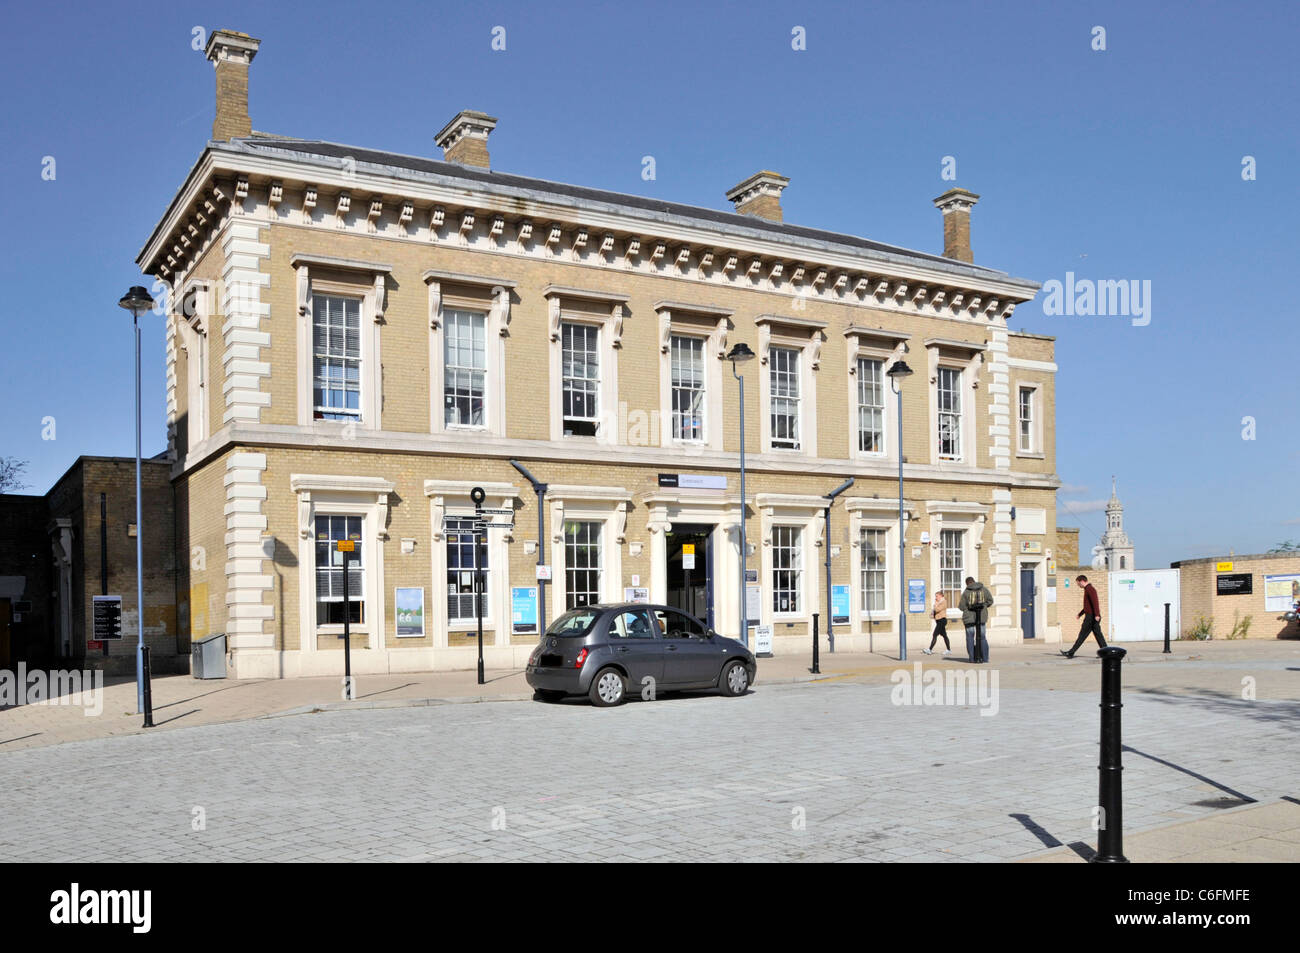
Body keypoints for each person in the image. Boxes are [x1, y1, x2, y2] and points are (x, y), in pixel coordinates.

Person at [1062, 574, 1107, 657]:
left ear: (1082, 581)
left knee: (1082, 635)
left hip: (1091, 617)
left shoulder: (1090, 589)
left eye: (1078, 584)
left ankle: (1071, 652)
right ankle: (1105, 652)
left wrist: (1097, 614)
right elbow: (1088, 606)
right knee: (1098, 635)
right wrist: (1080, 614)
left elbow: (1095, 602)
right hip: (1092, 616)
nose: (1078, 586)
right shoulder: (1088, 589)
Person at [958, 576, 994, 663]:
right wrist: (984, 606)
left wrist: (968, 608)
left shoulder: (966, 592)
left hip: (969, 618)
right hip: (981, 616)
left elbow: (961, 607)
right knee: (982, 637)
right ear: (974, 581)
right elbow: (990, 601)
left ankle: (972, 658)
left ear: (967, 583)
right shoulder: (984, 589)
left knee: (970, 638)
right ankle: (985, 658)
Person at [922, 589, 950, 655]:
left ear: (940, 596)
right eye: (935, 596)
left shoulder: (943, 602)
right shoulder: (938, 603)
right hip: (939, 621)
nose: (936, 598)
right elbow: (934, 612)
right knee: (944, 635)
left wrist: (935, 605)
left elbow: (937, 609)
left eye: (937, 596)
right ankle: (948, 649)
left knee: (934, 634)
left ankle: (930, 649)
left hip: (942, 620)